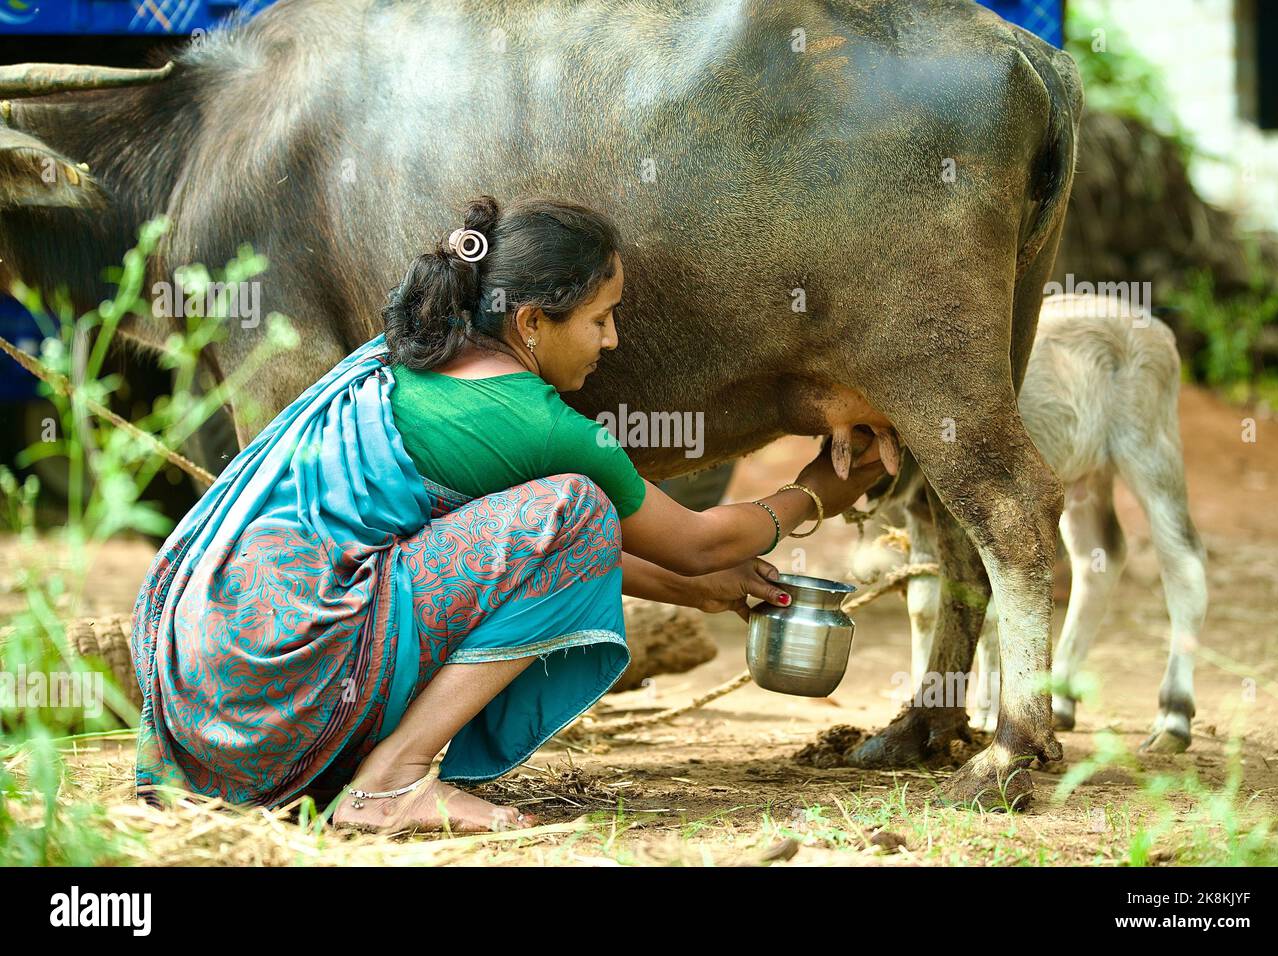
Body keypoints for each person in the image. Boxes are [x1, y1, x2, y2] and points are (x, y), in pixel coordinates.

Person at [128, 193, 885, 835]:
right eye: (600, 318)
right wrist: (818, 491)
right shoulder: (541, 425)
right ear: (530, 322)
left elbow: (503, 558)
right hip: (274, 698)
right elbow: (696, 540)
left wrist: (693, 592)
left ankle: (376, 768)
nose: (612, 341)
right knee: (578, 508)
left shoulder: (414, 352)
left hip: (204, 695)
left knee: (566, 519)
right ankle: (392, 782)